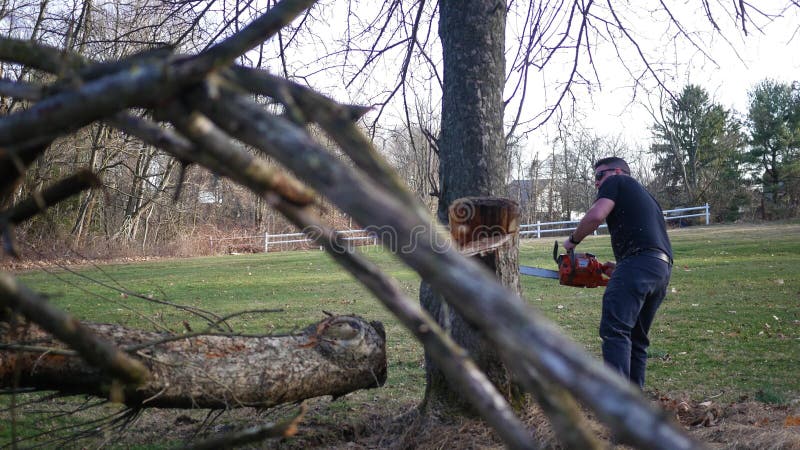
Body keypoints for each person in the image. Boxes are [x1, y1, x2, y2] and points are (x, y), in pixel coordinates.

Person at [562, 156, 672, 389]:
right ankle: (635, 406)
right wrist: (621, 265)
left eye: (599, 176)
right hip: (660, 268)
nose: (597, 183)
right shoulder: (647, 197)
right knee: (636, 339)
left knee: (615, 330)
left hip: (638, 263)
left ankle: (619, 406)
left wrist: (572, 241)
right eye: (596, 178)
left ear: (618, 172)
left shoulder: (617, 182)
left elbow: (595, 216)